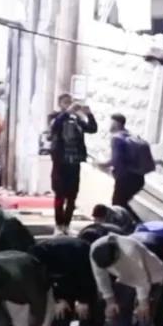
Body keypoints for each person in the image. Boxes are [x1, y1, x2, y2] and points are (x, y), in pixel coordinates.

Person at [90, 233, 163, 326]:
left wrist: (143, 303)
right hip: (125, 279)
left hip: (152, 276)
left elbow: (142, 279)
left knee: (144, 317)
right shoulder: (94, 250)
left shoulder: (130, 249)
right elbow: (100, 277)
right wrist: (110, 301)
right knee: (118, 317)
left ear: (117, 254)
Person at [30, 235, 100, 326]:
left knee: (85, 313)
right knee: (60, 313)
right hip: (62, 281)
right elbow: (45, 282)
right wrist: (58, 300)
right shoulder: (36, 260)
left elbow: (87, 277)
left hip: (84, 275)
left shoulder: (74, 253)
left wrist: (83, 300)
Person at [48, 93, 97, 234]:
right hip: (60, 162)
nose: (68, 104)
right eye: (65, 102)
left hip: (74, 163)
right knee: (59, 195)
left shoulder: (77, 119)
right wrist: (68, 112)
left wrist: (89, 114)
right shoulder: (54, 116)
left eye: (70, 102)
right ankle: (58, 224)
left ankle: (67, 224)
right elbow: (55, 127)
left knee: (72, 195)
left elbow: (92, 129)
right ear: (60, 104)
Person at [104, 113, 154, 221]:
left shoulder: (117, 138)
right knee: (121, 203)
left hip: (125, 179)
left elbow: (115, 160)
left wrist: (101, 165)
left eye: (109, 122)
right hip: (138, 178)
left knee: (117, 204)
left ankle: (137, 224)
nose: (107, 125)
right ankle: (133, 224)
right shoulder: (131, 135)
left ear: (115, 123)